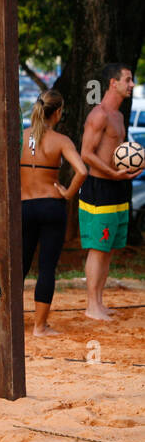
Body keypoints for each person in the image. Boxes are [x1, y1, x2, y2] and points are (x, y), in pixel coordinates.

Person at [78, 62, 143, 321]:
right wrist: (112, 173)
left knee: (109, 247)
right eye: (128, 80)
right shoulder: (100, 115)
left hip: (117, 186)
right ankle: (91, 305)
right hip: (99, 189)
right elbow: (86, 154)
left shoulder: (118, 116)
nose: (132, 84)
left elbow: (118, 152)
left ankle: (100, 302)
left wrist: (129, 166)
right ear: (113, 83)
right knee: (98, 247)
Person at [19, 89, 87, 336]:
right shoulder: (61, 140)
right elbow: (82, 171)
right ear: (57, 112)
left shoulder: (20, 137)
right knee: (47, 267)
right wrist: (68, 194)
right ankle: (39, 326)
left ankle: (13, 322)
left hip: (24, 206)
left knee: (20, 266)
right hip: (51, 205)